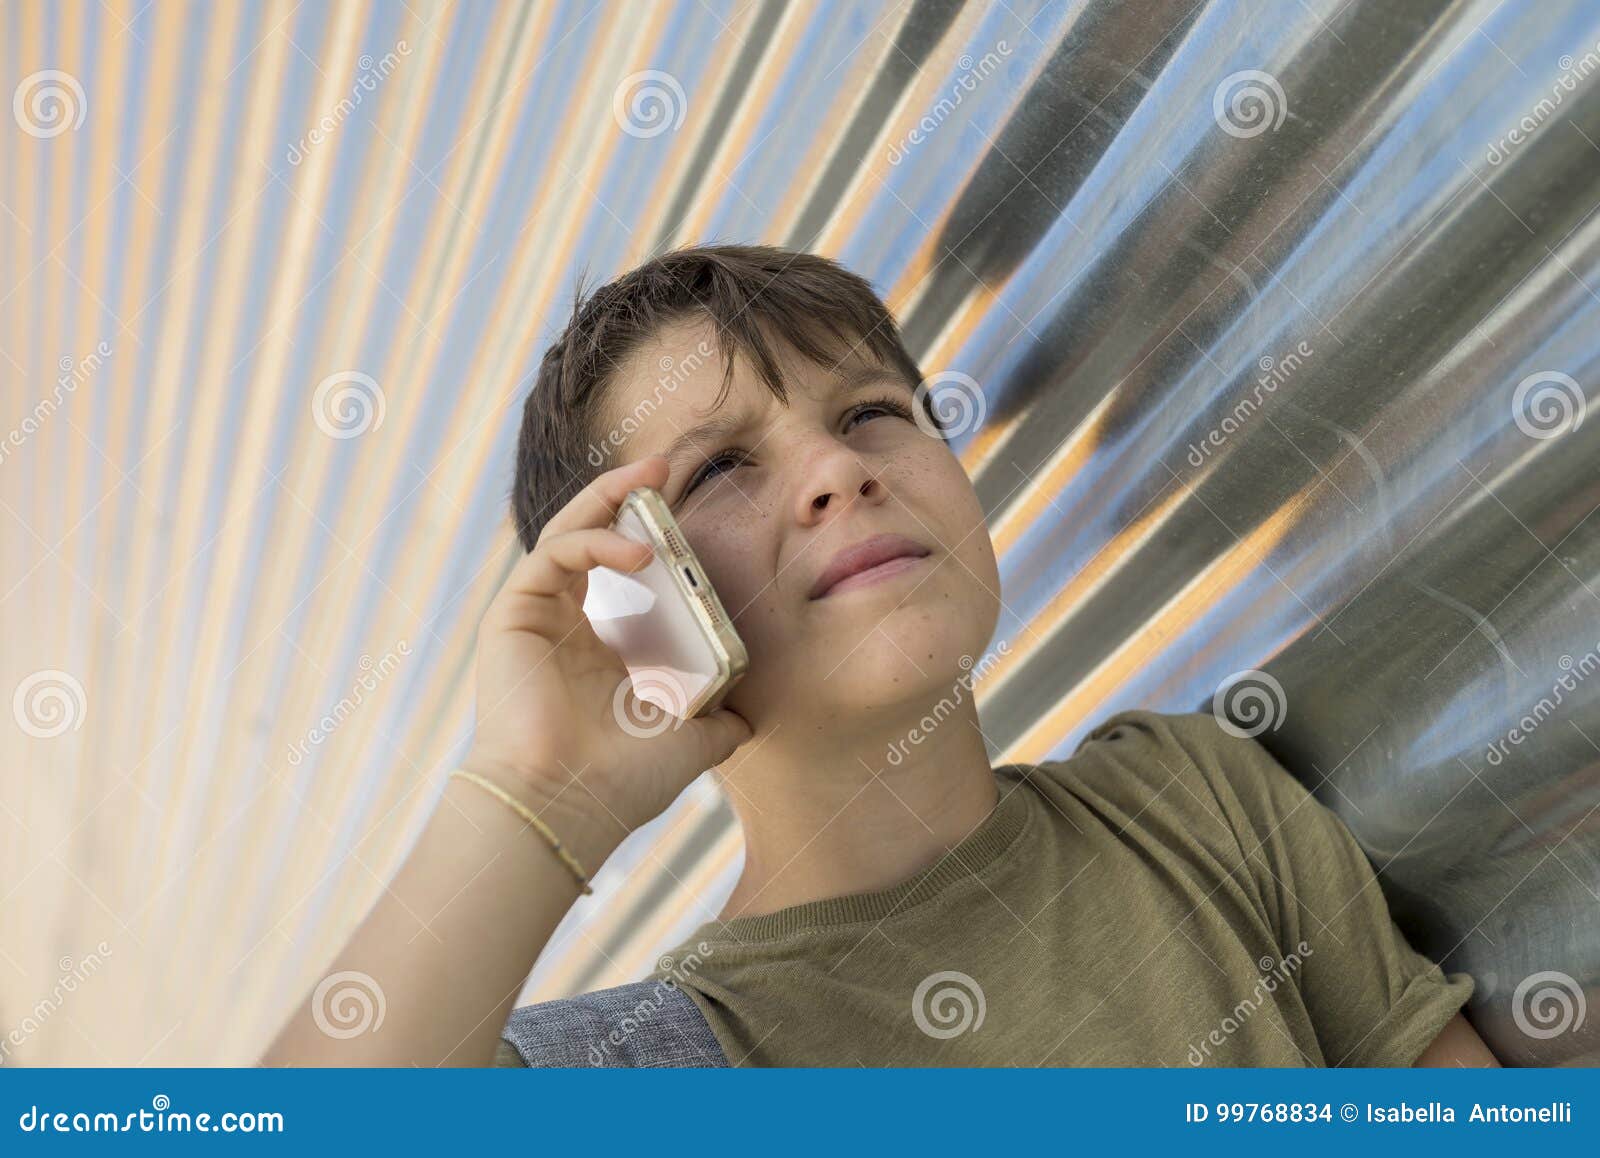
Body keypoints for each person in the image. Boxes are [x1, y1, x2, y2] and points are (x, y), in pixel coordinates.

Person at [261, 244, 1499, 1068]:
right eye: (722, 468)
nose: (838, 470)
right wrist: (543, 795)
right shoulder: (653, 1071)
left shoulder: (1189, 800)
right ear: (635, 610)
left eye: (868, 415)